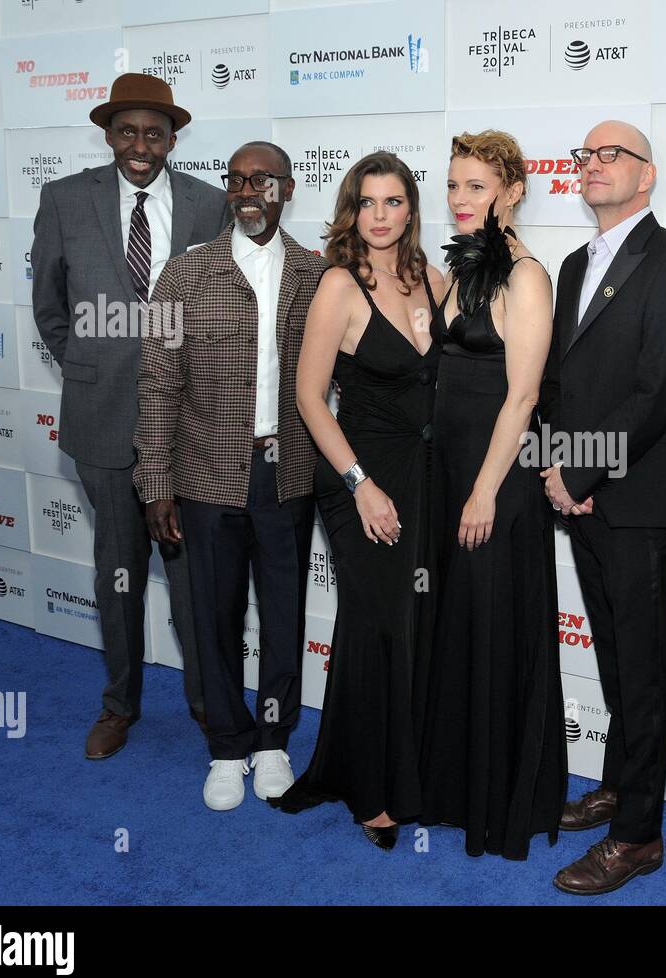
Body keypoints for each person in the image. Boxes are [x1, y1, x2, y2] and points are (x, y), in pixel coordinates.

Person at [30, 73, 229, 760]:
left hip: (191, 427)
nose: (140, 145)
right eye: (127, 131)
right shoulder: (64, 200)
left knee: (192, 579)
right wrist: (92, 365)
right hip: (103, 421)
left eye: (154, 133)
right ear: (108, 134)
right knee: (117, 574)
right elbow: (50, 307)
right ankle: (120, 705)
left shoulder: (209, 206)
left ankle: (209, 706)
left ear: (173, 138)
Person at [132, 141, 330, 812]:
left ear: (288, 188)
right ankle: (225, 745)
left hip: (288, 473)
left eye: (262, 180)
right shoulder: (180, 276)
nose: (247, 191)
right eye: (236, 179)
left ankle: (273, 738)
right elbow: (157, 383)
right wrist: (154, 481)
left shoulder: (317, 273)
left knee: (281, 614)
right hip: (204, 475)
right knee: (212, 617)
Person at [540, 121, 666, 895]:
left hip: (636, 503)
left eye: (613, 155)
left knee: (640, 673)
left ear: (648, 174)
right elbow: (557, 385)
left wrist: (578, 472)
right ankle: (615, 786)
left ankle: (638, 834)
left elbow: (660, 390)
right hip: (580, 500)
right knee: (612, 662)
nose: (593, 165)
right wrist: (553, 467)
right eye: (585, 155)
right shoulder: (575, 263)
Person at [268, 152, 443, 850]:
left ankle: (400, 763)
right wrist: (361, 484)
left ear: (410, 209)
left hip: (426, 475)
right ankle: (370, 789)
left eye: (393, 201)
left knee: (413, 626)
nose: (380, 214)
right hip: (358, 478)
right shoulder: (339, 284)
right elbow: (310, 397)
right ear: (351, 209)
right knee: (376, 624)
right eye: (367, 201)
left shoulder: (433, 278)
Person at [418, 130, 567, 859]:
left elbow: (525, 395)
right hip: (452, 474)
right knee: (461, 627)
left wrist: (483, 491)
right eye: (452, 186)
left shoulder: (526, 276)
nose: (460, 199)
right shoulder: (462, 271)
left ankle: (503, 798)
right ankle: (456, 788)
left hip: (496, 483)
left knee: (494, 626)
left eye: (475, 186)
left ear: (511, 190)